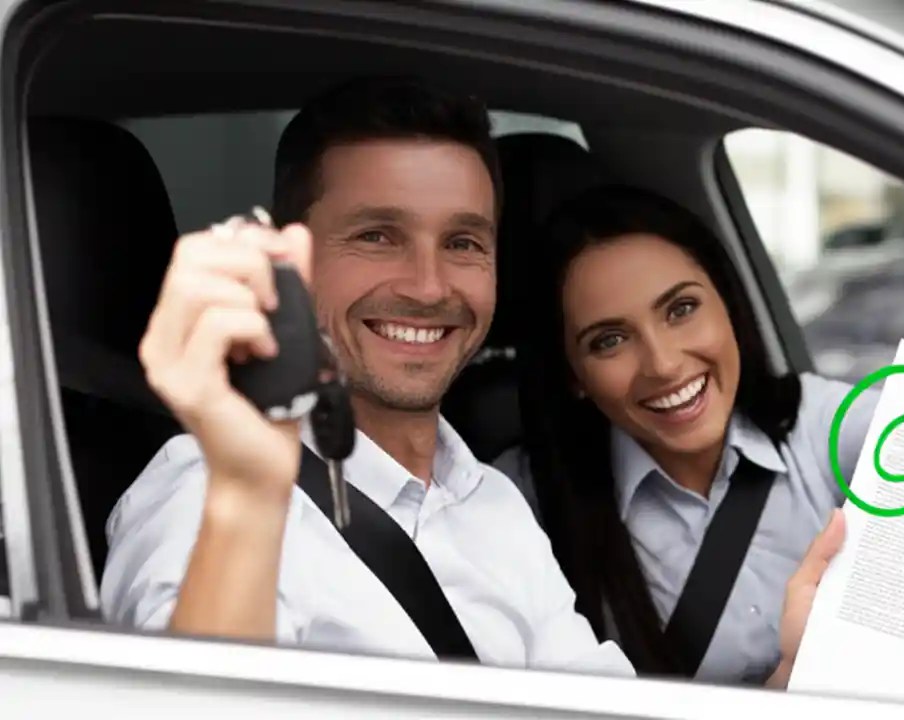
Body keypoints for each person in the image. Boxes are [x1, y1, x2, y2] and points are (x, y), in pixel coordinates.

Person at [99, 77, 837, 688]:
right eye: (377, 235)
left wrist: (796, 671)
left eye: (462, 242)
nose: (428, 287)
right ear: (292, 262)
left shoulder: (490, 503)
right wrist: (246, 496)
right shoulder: (207, 495)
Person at [494, 184, 904, 684]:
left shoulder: (814, 423)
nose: (662, 364)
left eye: (681, 309)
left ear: (729, 306)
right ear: (573, 376)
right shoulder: (518, 503)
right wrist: (792, 674)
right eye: (609, 341)